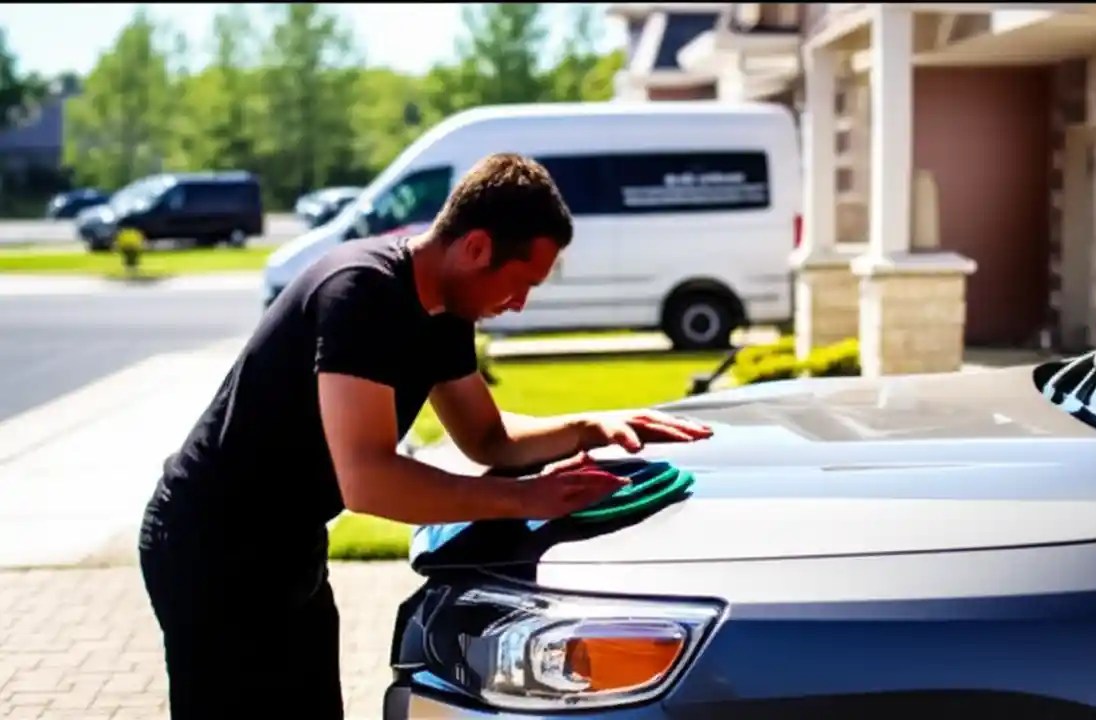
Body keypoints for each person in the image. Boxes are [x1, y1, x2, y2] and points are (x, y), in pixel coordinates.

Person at [137, 153, 714, 720]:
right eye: (520, 284)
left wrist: (592, 426)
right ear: (477, 247)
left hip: (288, 548)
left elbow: (488, 439)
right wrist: (521, 499)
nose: (518, 305)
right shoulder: (359, 292)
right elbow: (369, 480)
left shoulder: (443, 312)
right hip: (209, 547)